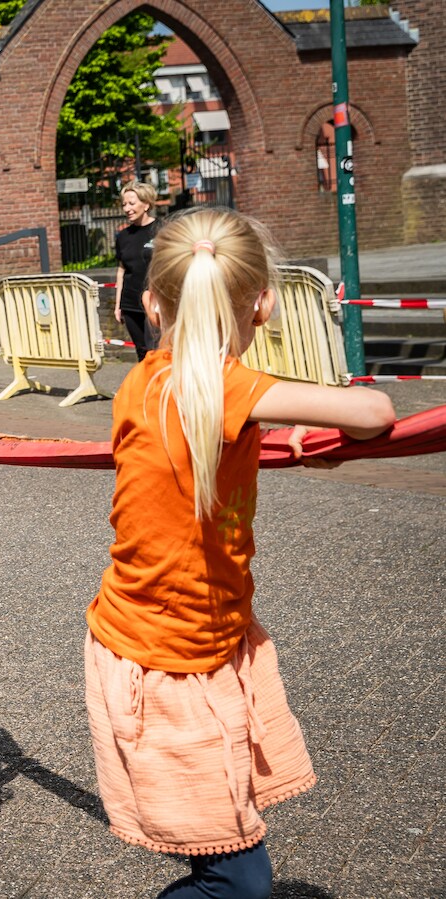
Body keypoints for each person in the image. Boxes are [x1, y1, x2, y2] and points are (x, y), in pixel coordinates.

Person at [84, 208, 395, 898]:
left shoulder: (142, 382)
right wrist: (294, 419)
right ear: (266, 301)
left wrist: (278, 431)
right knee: (238, 877)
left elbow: (195, 436)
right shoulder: (234, 390)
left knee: (220, 847)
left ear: (150, 303)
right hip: (168, 655)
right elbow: (374, 413)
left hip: (175, 637)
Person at [113, 181, 161, 361]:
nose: (127, 208)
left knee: (156, 349)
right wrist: (118, 306)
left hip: (156, 302)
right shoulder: (123, 236)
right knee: (142, 352)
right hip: (130, 303)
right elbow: (121, 270)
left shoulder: (162, 229)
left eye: (131, 203)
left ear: (146, 204)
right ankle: (147, 388)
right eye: (124, 204)